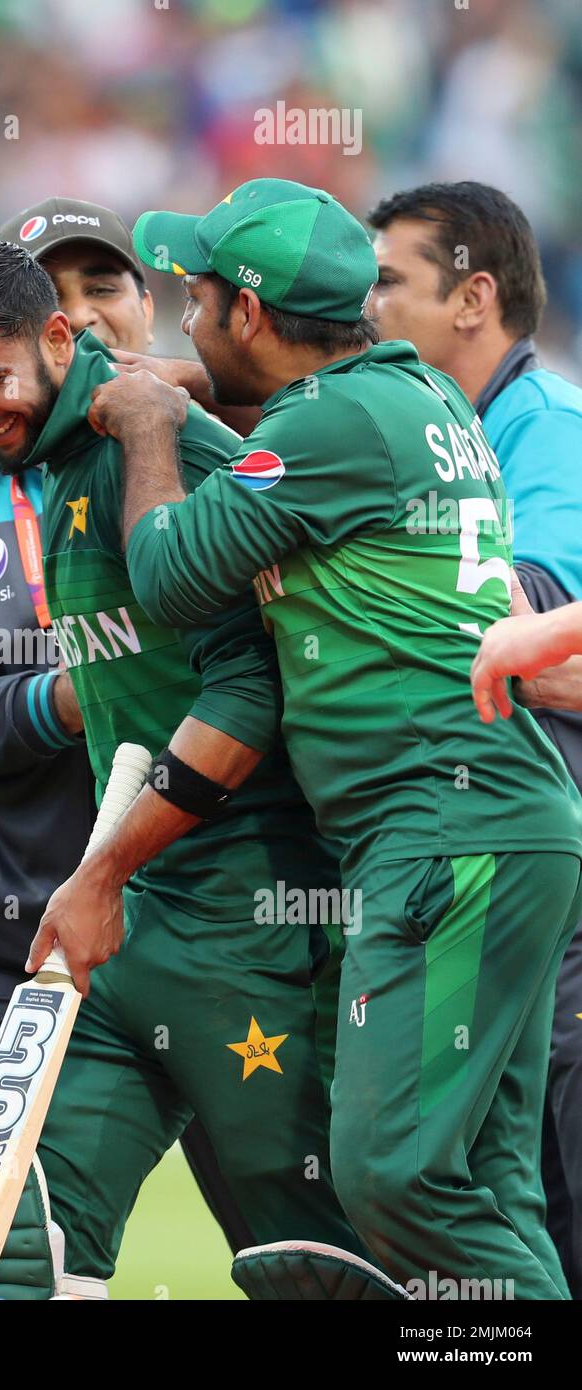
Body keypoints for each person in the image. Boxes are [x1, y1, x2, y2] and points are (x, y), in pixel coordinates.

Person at [88, 176, 582, 1298]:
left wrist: (154, 429)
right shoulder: (415, 393)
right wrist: (201, 398)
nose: (186, 323)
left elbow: (167, 575)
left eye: (196, 299)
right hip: (498, 821)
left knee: (392, 1172)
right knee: (485, 1182)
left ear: (250, 313)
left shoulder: (327, 422)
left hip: (445, 830)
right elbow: (297, 472)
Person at [0, 234, 370, 1298]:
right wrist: (109, 874)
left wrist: (101, 869)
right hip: (135, 916)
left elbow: (248, 692)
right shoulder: (57, 460)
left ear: (59, 340)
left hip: (254, 920)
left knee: (319, 1261)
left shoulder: (155, 450)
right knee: (2, 1242)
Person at [369, 180, 582, 1296]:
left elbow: (522, 620)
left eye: (388, 281)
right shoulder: (429, 432)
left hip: (548, 866)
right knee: (493, 1185)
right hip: (478, 862)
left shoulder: (542, 428)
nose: (365, 307)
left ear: (473, 296)